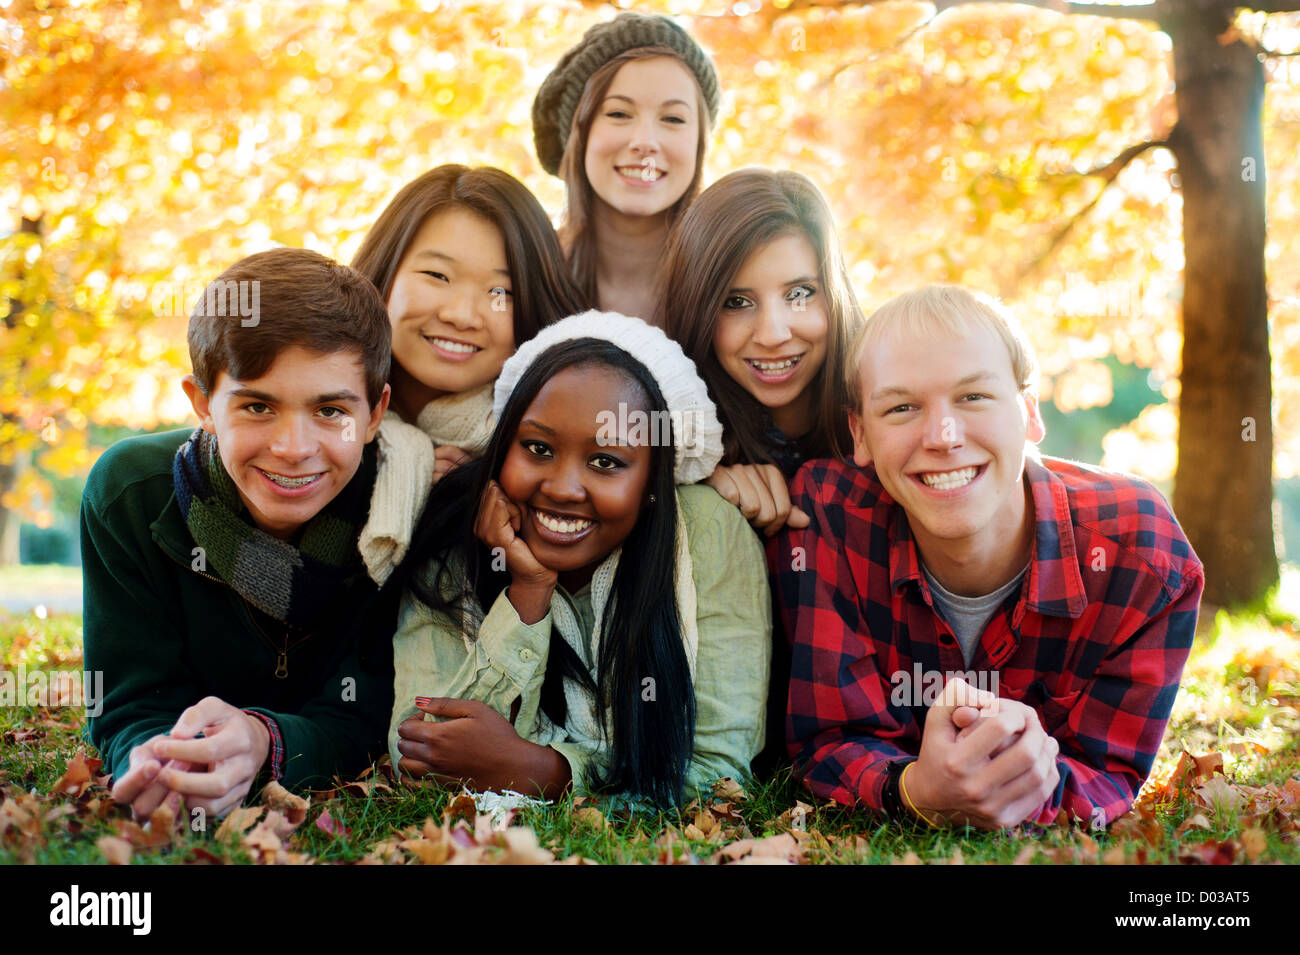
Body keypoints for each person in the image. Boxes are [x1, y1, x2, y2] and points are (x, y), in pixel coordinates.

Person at [771, 285, 1203, 829]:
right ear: (860, 433)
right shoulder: (829, 515)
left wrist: (1023, 788)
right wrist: (914, 791)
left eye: (973, 397)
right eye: (902, 407)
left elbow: (1107, 769)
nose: (943, 436)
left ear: (1029, 413)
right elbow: (829, 737)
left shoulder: (1140, 552)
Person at [388, 311, 769, 805]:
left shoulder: (709, 534)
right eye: (538, 447)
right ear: (503, 446)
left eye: (606, 461)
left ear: (653, 480)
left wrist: (545, 771)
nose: (564, 488)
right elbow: (421, 753)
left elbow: (719, 773)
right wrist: (527, 594)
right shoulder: (455, 535)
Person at [83, 249, 399, 820]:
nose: (294, 448)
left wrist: (263, 744)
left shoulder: (396, 516)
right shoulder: (130, 493)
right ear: (202, 402)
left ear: (375, 414)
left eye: (330, 411)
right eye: (257, 405)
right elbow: (127, 697)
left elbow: (365, 715)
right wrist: (155, 760)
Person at [349, 164, 585, 584]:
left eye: (500, 292)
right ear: (385, 274)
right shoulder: (308, 432)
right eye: (437, 276)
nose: (461, 315)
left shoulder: (553, 464)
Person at [658, 168, 863, 538]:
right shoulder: (666, 422)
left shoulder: (891, 401)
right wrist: (695, 475)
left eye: (800, 293)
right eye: (736, 302)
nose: (772, 334)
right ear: (696, 310)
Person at [533, 12, 720, 320]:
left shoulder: (734, 281)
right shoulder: (524, 276)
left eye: (673, 118)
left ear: (700, 142)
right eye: (619, 114)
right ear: (577, 136)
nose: (645, 142)